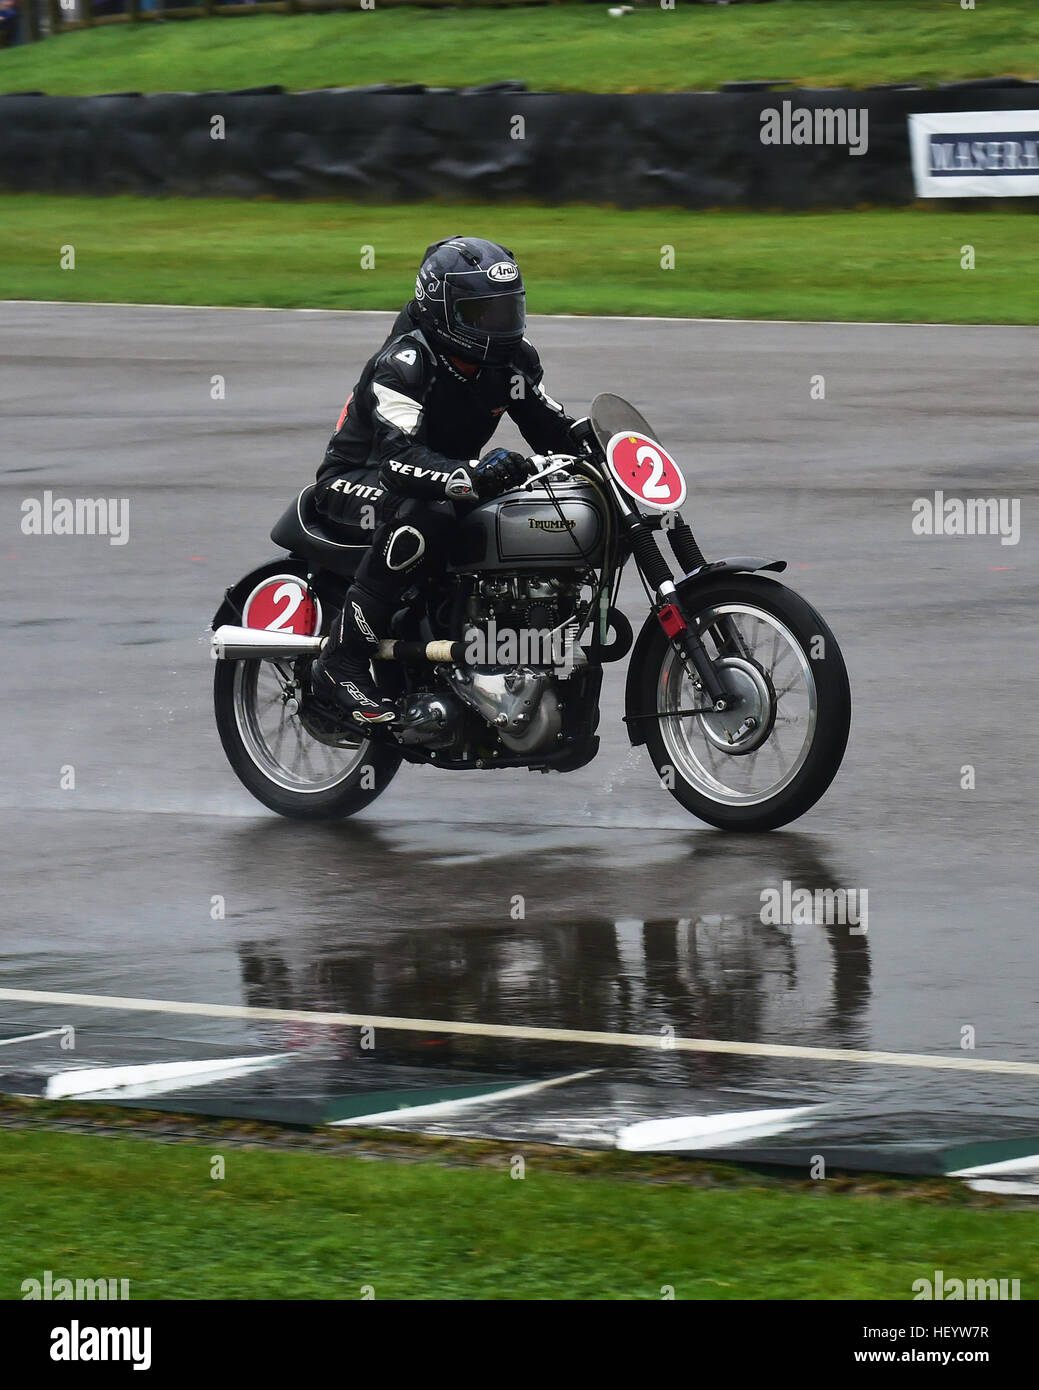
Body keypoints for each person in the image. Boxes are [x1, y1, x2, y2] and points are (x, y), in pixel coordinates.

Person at [309, 235, 579, 726]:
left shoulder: (512, 363)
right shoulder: (405, 363)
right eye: (483, 314)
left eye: (507, 310)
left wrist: (604, 453)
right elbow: (397, 460)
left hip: (440, 477)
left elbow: (553, 429)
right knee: (426, 513)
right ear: (444, 312)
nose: (500, 326)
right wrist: (469, 474)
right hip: (358, 480)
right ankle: (340, 661)